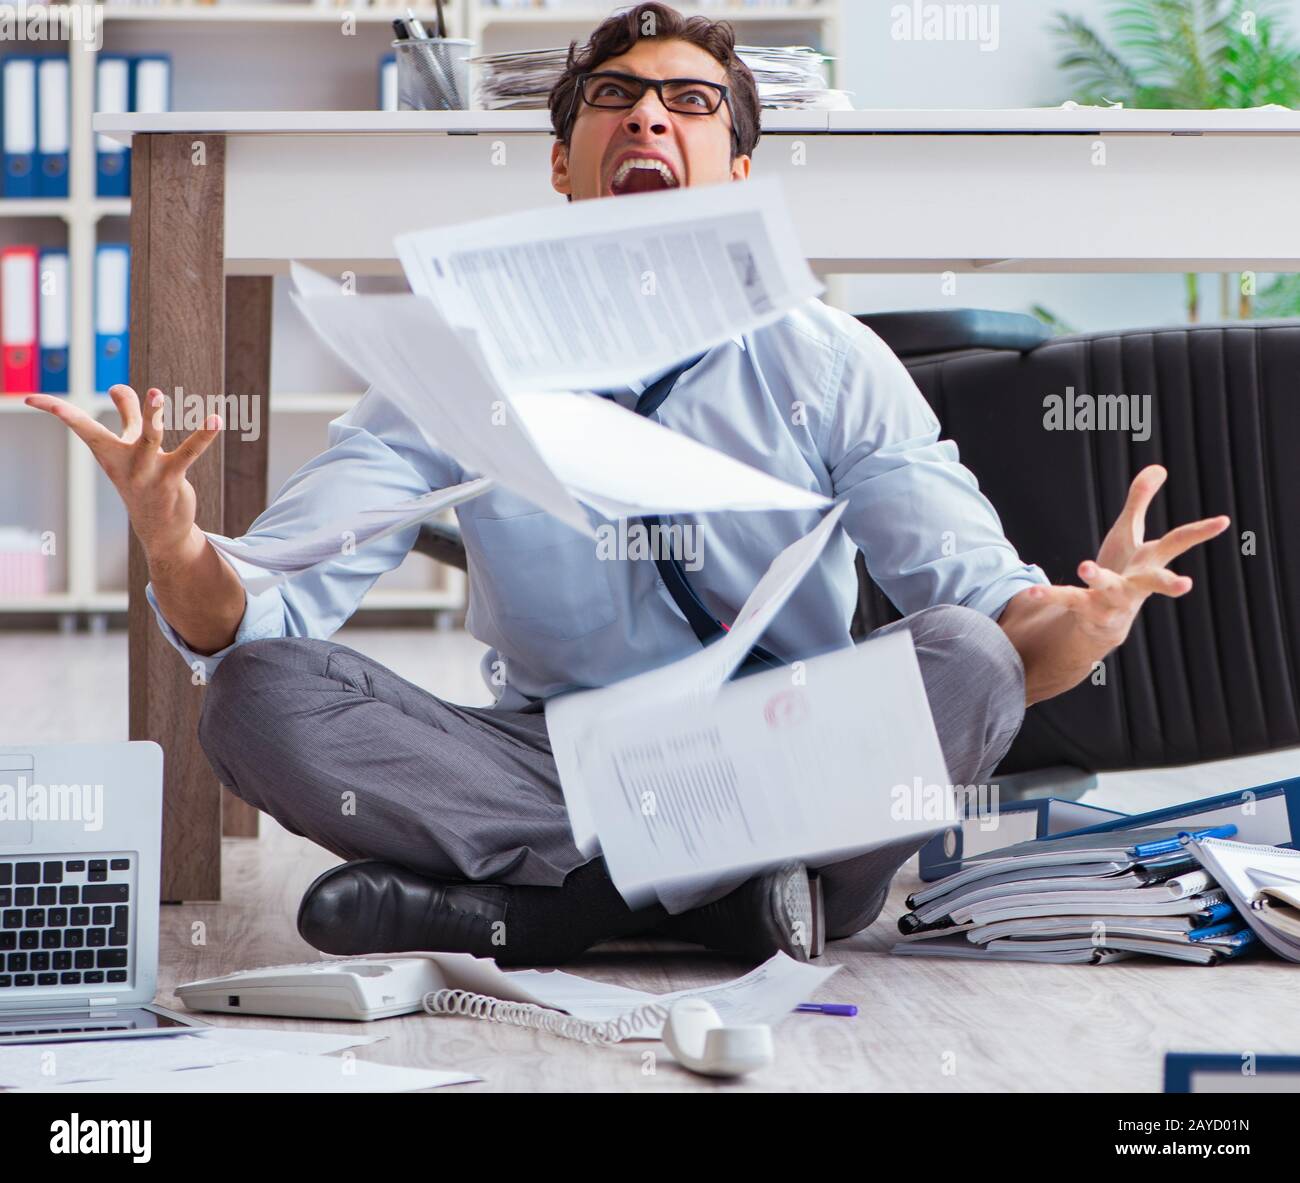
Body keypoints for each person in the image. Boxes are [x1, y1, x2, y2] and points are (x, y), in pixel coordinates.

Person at [26, 2, 1229, 967]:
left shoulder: (825, 359)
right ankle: (712, 910)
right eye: (616, 98)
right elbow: (269, 610)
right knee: (256, 698)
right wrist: (179, 548)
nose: (648, 115)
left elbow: (1001, 631)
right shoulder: (460, 355)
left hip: (788, 754)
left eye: (689, 103)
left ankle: (547, 912)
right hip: (558, 764)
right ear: (564, 164)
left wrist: (1086, 620)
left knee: (962, 656)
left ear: (738, 164)